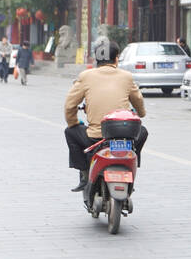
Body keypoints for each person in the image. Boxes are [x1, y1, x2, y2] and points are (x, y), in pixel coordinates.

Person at [63, 37, 147, 192]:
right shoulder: (127, 77)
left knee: (70, 132)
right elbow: (139, 105)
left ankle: (84, 173)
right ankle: (132, 162)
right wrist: (140, 113)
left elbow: (69, 105)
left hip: (95, 137)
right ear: (116, 58)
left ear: (97, 59)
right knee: (143, 132)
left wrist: (74, 122)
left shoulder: (86, 76)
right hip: (125, 136)